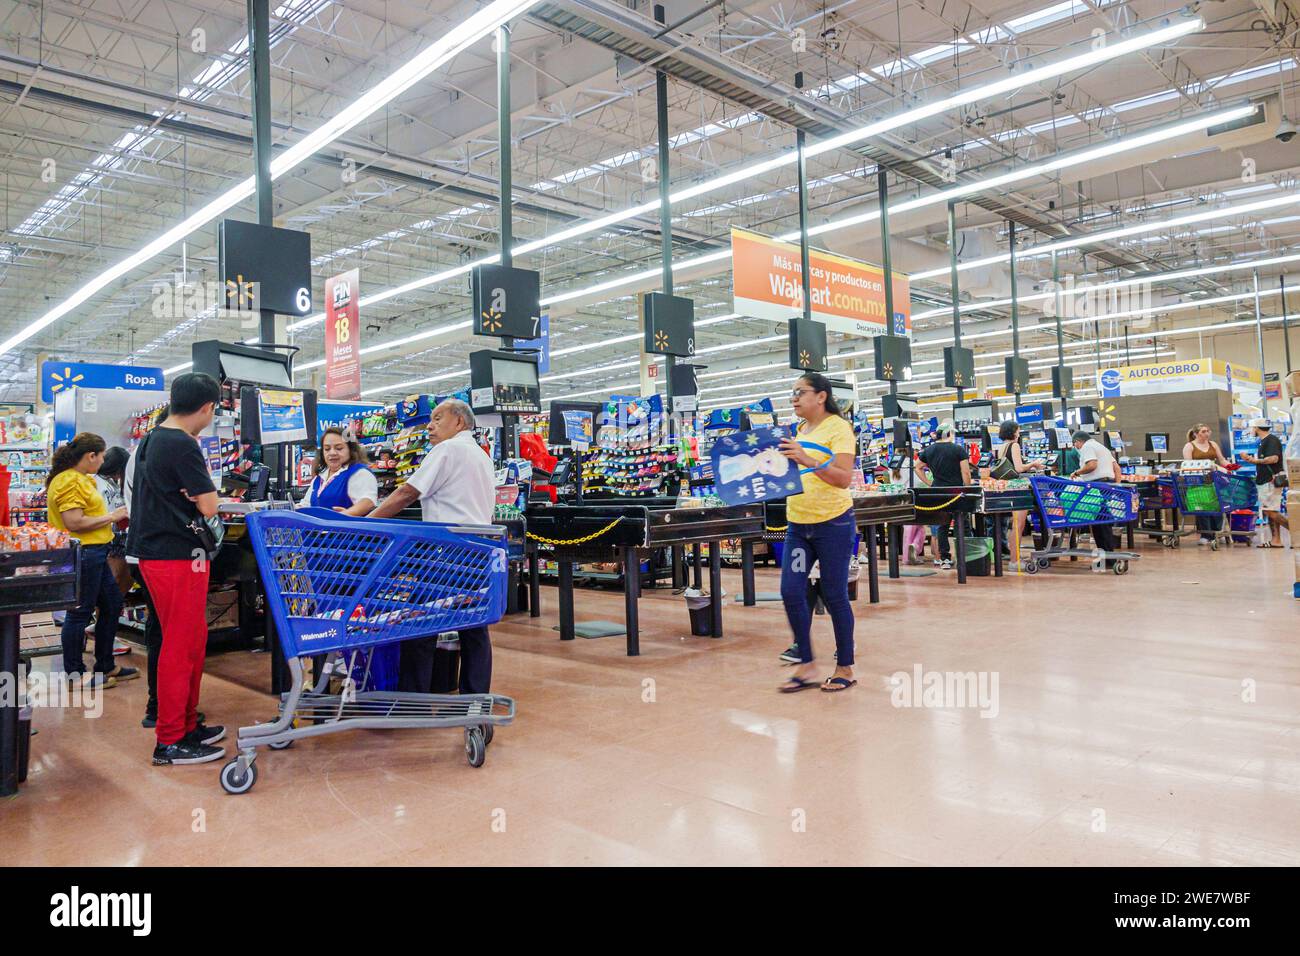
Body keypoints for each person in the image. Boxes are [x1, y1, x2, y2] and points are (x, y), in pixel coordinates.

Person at [127, 374, 225, 766]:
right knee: (180, 644)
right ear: (207, 408)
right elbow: (210, 506)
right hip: (175, 555)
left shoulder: (152, 438)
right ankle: (170, 740)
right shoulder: (182, 444)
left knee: (189, 640)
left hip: (159, 553)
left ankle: (185, 725)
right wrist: (203, 494)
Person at [369, 399, 496, 695]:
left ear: (460, 423)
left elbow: (406, 493)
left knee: (419, 622)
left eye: (438, 419)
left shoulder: (447, 449)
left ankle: (412, 698)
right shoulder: (481, 456)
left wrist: (366, 522)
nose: (429, 425)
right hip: (478, 549)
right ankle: (475, 698)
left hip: (446, 552)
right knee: (474, 627)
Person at [775, 372, 858, 694]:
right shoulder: (798, 430)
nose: (794, 398)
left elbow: (843, 479)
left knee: (834, 594)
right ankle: (807, 665)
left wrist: (807, 458)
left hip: (833, 525)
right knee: (791, 591)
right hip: (798, 525)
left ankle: (845, 667)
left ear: (821, 396)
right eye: (792, 393)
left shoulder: (839, 428)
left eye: (800, 392)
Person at [47, 433, 135, 689]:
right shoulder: (70, 482)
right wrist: (112, 517)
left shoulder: (80, 479)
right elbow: (73, 522)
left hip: (95, 551)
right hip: (83, 552)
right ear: (91, 456)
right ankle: (75, 674)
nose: (104, 460)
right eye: (102, 455)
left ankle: (106, 665)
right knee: (80, 612)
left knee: (112, 603)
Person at [918, 420, 972, 570]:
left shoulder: (929, 450)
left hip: (939, 492)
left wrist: (929, 483)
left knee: (942, 525)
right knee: (962, 524)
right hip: (956, 493)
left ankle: (945, 559)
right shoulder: (958, 449)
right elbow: (965, 471)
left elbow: (918, 467)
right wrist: (968, 488)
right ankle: (965, 557)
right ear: (949, 434)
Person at [992, 420, 1046, 552]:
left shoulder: (999, 448)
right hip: (1018, 488)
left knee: (1015, 525)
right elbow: (1019, 468)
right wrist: (1033, 464)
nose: (1019, 432)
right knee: (1019, 525)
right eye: (1017, 430)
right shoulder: (1014, 446)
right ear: (1013, 431)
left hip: (1006, 487)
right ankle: (1015, 560)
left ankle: (1013, 556)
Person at [297, 427, 378, 515]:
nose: (332, 453)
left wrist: (344, 515)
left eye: (339, 448)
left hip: (347, 528)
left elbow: (368, 502)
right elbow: (306, 504)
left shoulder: (359, 473)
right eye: (327, 449)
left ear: (351, 450)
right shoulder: (319, 478)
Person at [1071, 430, 1122, 559]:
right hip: (1108, 485)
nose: (1075, 447)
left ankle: (1108, 558)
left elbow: (1092, 465)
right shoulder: (1102, 447)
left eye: (1075, 444)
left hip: (1097, 486)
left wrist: (1077, 472)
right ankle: (1108, 556)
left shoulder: (1087, 447)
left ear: (1078, 441)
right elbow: (1117, 469)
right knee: (1104, 522)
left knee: (1100, 524)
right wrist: (1116, 486)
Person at [1182, 423, 1230, 544]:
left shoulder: (1213, 444)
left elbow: (1222, 459)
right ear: (1196, 434)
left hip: (1214, 481)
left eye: (1208, 431)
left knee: (1217, 505)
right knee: (1202, 507)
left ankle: (1218, 532)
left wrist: (1229, 467)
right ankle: (1206, 535)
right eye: (1203, 431)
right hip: (1198, 483)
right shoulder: (1189, 446)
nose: (1207, 433)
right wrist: (1206, 467)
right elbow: (1189, 465)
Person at [1241, 418, 1285, 548]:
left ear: (1256, 428)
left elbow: (1274, 458)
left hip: (1269, 481)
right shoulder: (1264, 441)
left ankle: (1296, 532)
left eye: (1252, 428)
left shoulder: (1271, 440)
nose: (1251, 430)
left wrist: (1253, 461)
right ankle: (1276, 540)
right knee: (1271, 510)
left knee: (1269, 511)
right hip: (1266, 480)